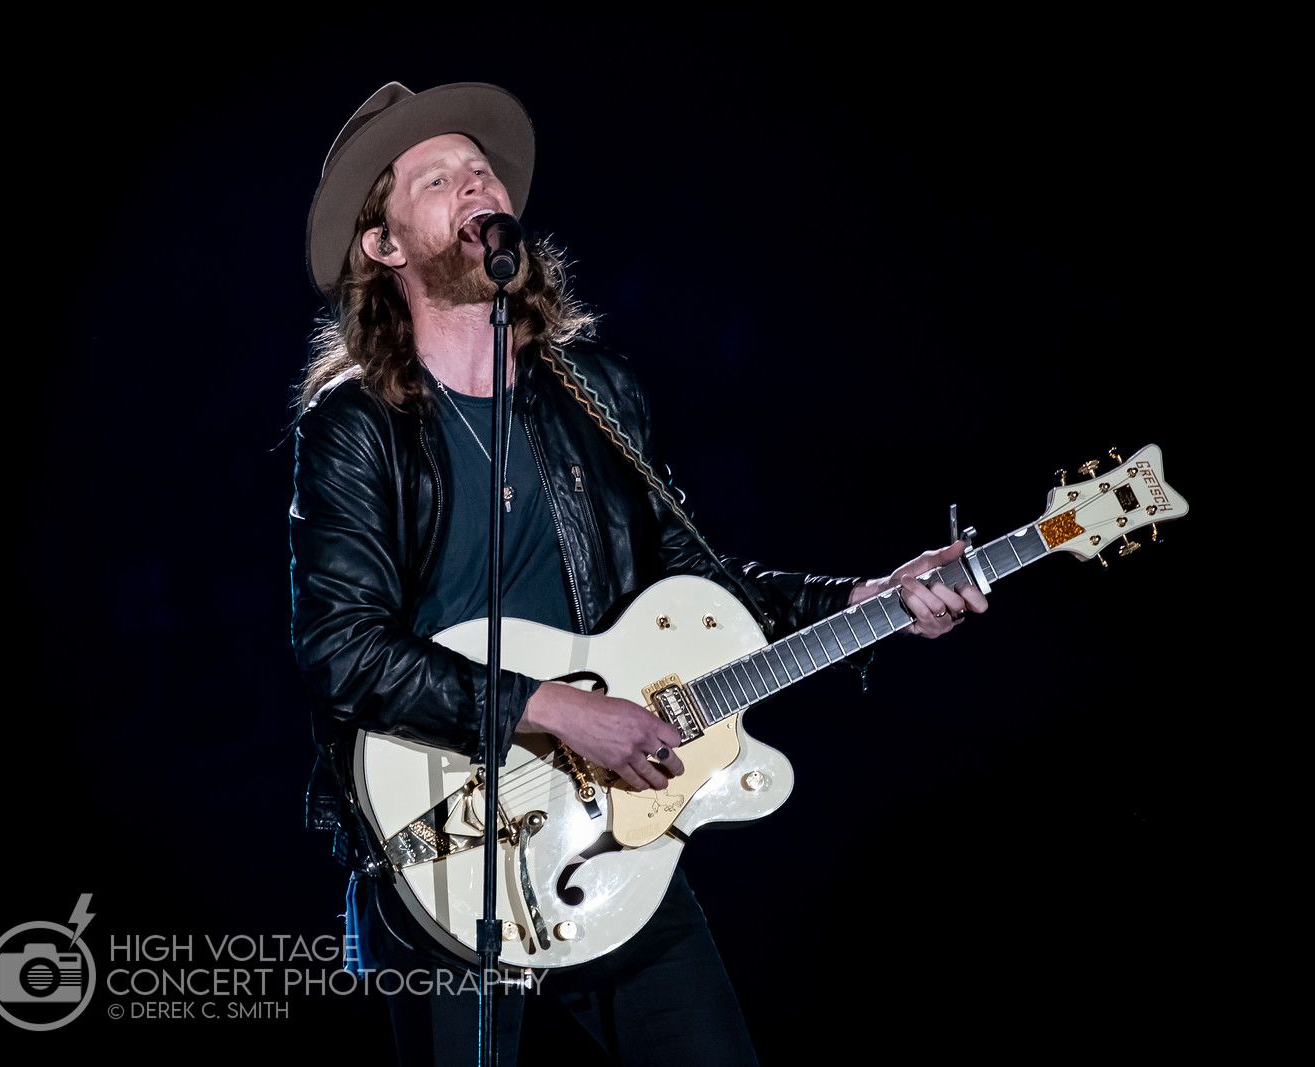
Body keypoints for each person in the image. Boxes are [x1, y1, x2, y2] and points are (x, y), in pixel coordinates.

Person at [288, 80, 990, 1066]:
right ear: (385, 246)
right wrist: (563, 711)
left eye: (479, 167)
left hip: (611, 828)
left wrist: (863, 598)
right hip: (442, 841)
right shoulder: (357, 425)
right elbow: (343, 652)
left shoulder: (592, 393)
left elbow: (694, 583)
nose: (475, 180)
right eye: (438, 177)